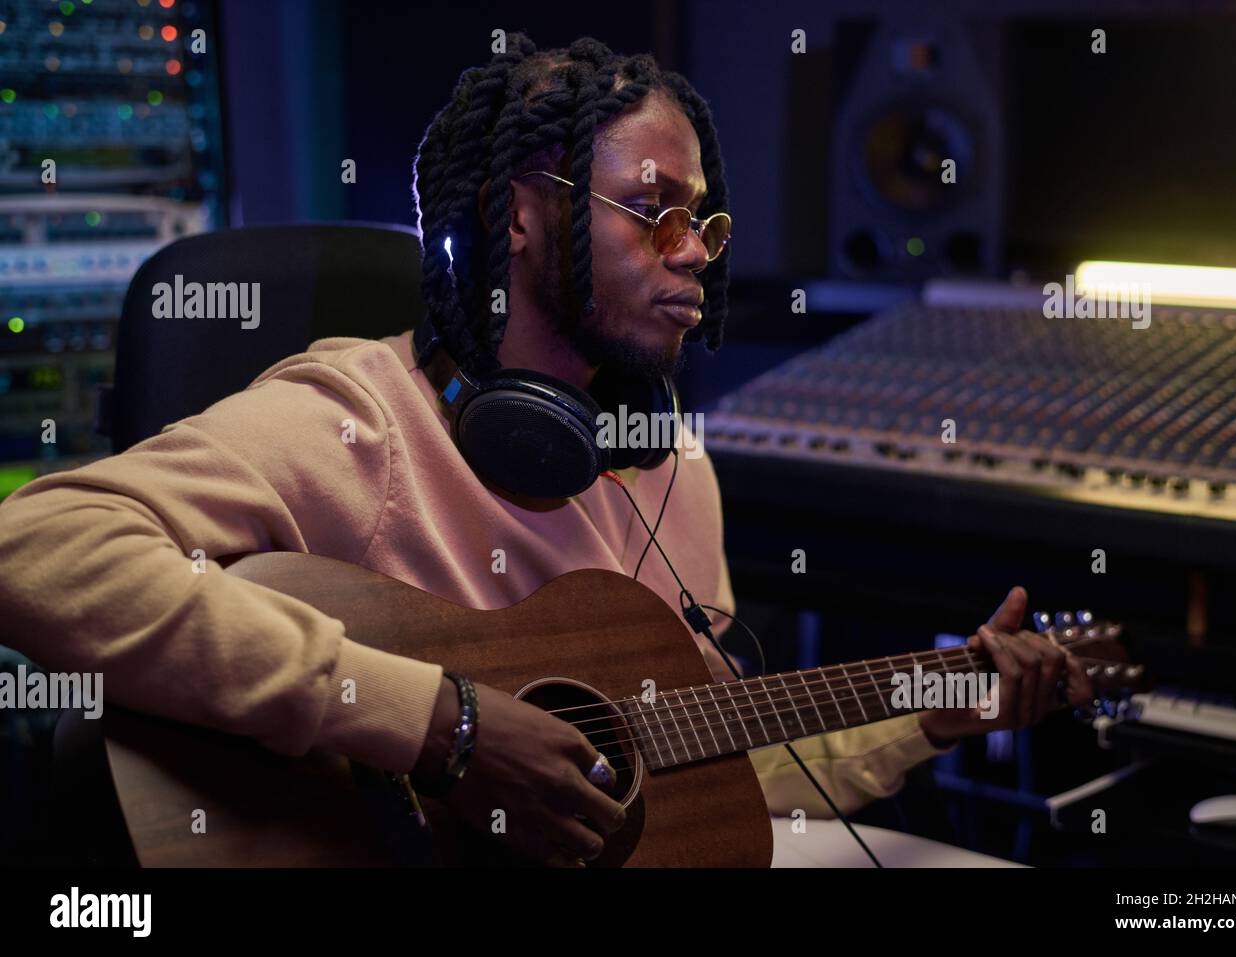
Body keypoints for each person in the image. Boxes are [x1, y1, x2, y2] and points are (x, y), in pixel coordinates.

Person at [0, 34, 1092, 867]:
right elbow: (36, 545)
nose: (692, 259)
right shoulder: (358, 422)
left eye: (701, 225)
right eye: (651, 212)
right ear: (521, 216)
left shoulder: (669, 470)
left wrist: (930, 715)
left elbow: (713, 779)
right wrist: (443, 726)